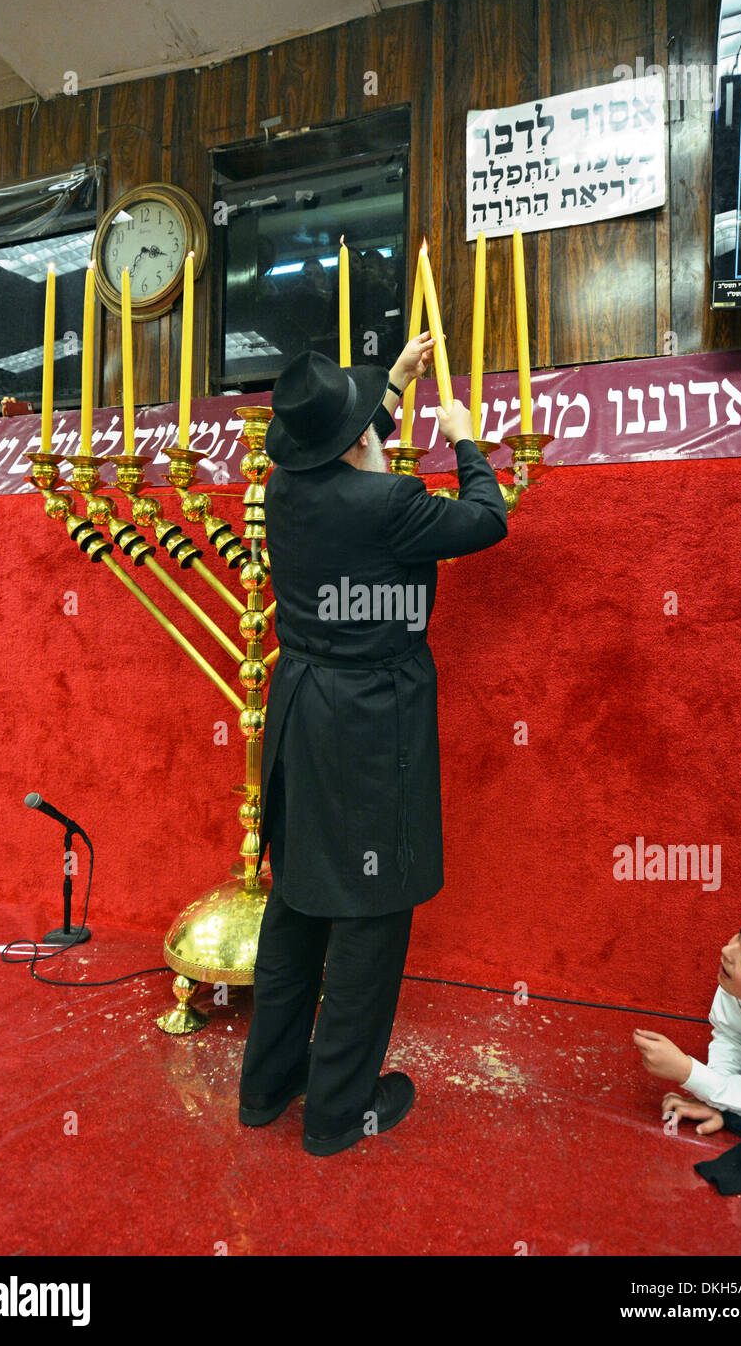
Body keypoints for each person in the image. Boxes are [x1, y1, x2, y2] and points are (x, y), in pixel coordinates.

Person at [238, 332, 509, 1155]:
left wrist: (391, 387)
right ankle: (338, 1110)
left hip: (299, 712)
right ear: (361, 441)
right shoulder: (387, 504)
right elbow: (487, 520)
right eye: (373, 424)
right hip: (369, 722)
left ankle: (267, 1085)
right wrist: (463, 434)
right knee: (373, 911)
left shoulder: (283, 487)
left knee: (298, 899)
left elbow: (345, 449)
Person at [634, 909, 741, 1137]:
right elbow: (732, 1036)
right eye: (739, 936)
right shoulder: (735, 983)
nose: (726, 951)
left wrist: (688, 1072)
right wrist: (713, 1099)